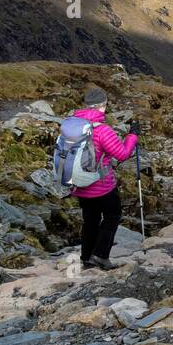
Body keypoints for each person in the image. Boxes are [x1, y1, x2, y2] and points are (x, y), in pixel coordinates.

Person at [70, 86, 137, 271]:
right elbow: (122, 154)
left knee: (90, 219)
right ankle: (100, 255)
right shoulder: (102, 130)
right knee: (112, 215)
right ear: (102, 106)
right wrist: (132, 136)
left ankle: (86, 257)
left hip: (80, 184)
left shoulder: (71, 125)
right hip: (102, 185)